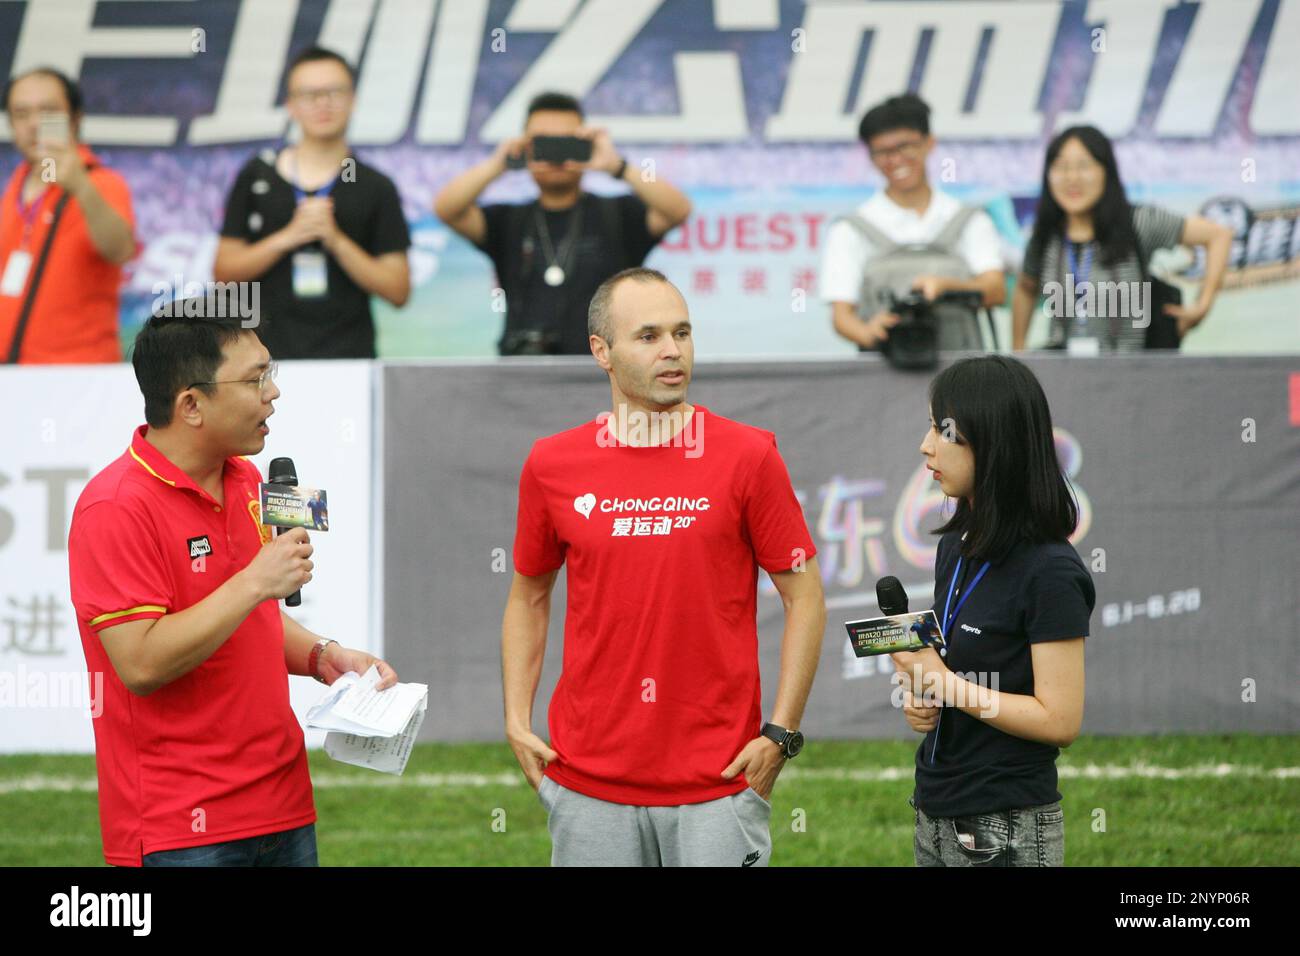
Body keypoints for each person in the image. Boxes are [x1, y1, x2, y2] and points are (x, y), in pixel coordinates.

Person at [502, 267, 826, 866]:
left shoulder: (749, 455)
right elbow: (528, 595)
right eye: (648, 336)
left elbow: (804, 595)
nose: (673, 351)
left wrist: (781, 735)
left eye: (682, 332)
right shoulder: (552, 464)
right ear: (602, 350)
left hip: (718, 781)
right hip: (587, 782)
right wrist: (516, 720)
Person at [67, 295, 398, 867]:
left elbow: (258, 615)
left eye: (271, 373)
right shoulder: (114, 507)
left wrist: (324, 656)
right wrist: (253, 582)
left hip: (284, 806)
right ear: (191, 404)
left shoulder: (250, 478)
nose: (273, 393)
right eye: (255, 380)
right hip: (182, 829)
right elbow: (140, 664)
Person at [889, 355, 1094, 867]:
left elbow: (1060, 719)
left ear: (994, 442)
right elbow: (954, 669)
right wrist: (927, 701)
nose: (926, 445)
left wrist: (946, 685)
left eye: (944, 430)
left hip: (1006, 824)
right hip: (935, 809)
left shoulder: (1049, 571)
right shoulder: (956, 543)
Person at [435, 92, 692, 355]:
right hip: (521, 371)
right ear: (526, 146)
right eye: (543, 142)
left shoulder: (618, 214)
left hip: (606, 372)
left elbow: (677, 209)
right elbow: (446, 208)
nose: (555, 154)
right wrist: (500, 164)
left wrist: (617, 166)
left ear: (585, 143)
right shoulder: (507, 220)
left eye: (567, 142)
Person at [213, 46, 410, 359]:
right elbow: (223, 272)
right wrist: (288, 237)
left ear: (353, 99)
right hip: (262, 361)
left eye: (334, 91)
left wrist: (336, 240)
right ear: (290, 105)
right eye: (309, 94)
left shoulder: (376, 185)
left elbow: (398, 289)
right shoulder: (256, 175)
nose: (323, 103)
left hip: (350, 359)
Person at [1012, 125, 1233, 352]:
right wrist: (1018, 350)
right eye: (1061, 167)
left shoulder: (1138, 222)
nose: (1072, 178)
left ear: (1106, 171)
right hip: (1066, 375)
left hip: (1132, 373)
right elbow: (1026, 287)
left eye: (1084, 166)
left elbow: (1218, 236)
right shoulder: (1046, 235)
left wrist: (1202, 307)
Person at [820, 93, 1005, 352]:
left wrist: (944, 288)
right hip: (884, 374)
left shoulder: (968, 220)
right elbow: (841, 316)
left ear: (929, 143)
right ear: (871, 157)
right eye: (883, 152)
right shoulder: (851, 229)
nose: (895, 160)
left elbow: (996, 290)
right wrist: (871, 332)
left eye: (905, 146)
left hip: (963, 374)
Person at [0, 67, 136, 363]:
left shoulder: (101, 182)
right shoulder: (15, 185)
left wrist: (81, 188)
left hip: (77, 376)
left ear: (75, 118)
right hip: (12, 375)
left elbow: (121, 249)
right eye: (21, 115)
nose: (34, 124)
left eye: (48, 111)